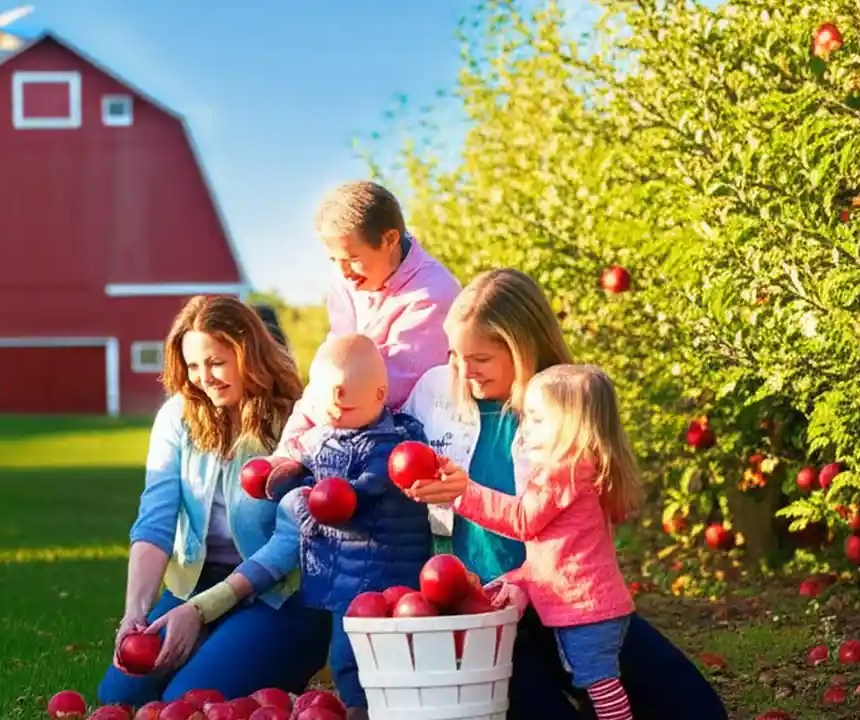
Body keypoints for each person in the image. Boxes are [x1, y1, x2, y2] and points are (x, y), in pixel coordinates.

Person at [400, 268, 728, 720]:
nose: (463, 370)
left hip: (565, 595)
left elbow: (548, 520)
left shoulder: (559, 412)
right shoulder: (433, 395)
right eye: (455, 354)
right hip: (485, 608)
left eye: (480, 359)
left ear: (523, 349)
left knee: (695, 709)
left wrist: (464, 493)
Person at [96, 295, 330, 706]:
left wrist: (202, 611)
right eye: (192, 366)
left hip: (281, 597)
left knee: (188, 703)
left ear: (249, 354)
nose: (204, 377)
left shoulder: (297, 419)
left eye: (217, 362)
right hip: (195, 586)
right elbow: (155, 520)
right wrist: (135, 613)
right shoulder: (178, 417)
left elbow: (290, 542)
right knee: (121, 697)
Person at [447, 364, 644, 720]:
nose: (527, 428)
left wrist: (464, 494)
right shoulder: (583, 468)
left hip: (586, 610)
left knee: (600, 685)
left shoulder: (563, 473)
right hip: (591, 606)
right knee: (593, 684)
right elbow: (554, 550)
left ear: (571, 425)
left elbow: (522, 520)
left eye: (537, 419)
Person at [267, 334, 434, 719]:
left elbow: (356, 495)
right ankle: (360, 705)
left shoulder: (393, 443)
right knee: (345, 651)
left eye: (346, 393)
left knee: (379, 649)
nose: (337, 403)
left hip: (385, 569)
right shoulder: (324, 439)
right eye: (328, 395)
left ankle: (373, 708)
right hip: (343, 571)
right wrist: (286, 481)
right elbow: (308, 477)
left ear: (380, 395)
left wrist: (313, 503)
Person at [276, 180, 461, 462]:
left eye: (352, 258)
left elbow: (384, 389)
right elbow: (332, 368)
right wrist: (287, 447)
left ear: (389, 240)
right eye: (334, 260)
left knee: (297, 504)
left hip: (398, 445)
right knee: (261, 501)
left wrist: (306, 437)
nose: (343, 271)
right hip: (337, 428)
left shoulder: (432, 293)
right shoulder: (346, 285)